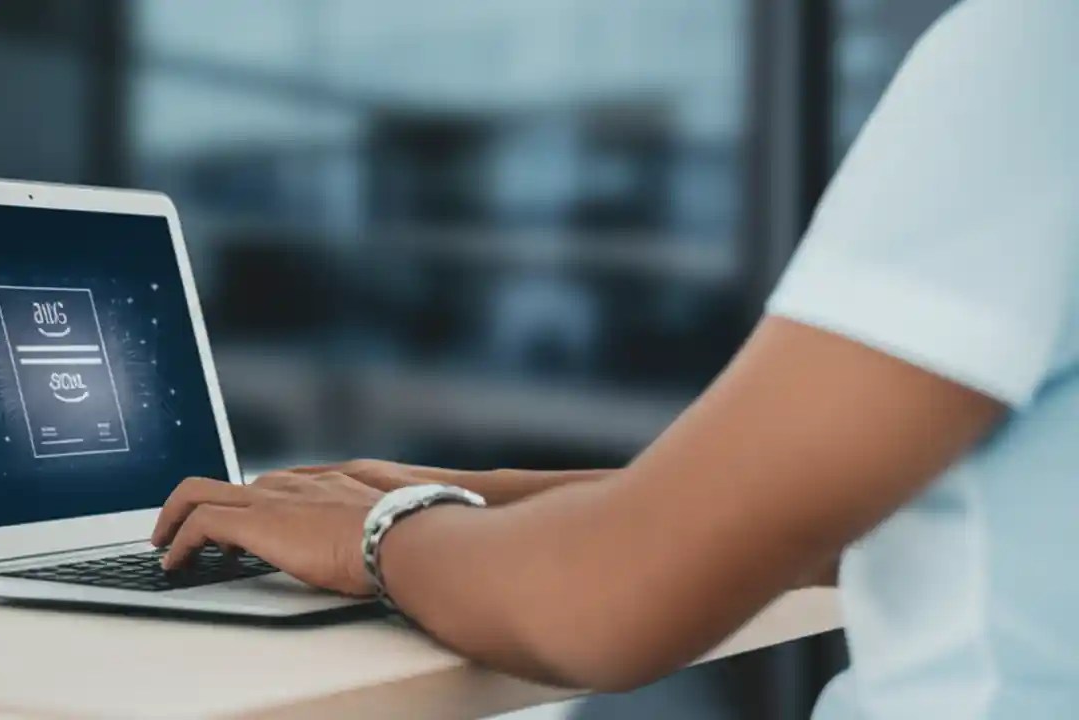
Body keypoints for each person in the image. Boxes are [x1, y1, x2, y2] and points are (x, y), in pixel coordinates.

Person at [153, 1, 1079, 717]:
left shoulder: (1034, 57)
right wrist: (465, 496)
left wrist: (378, 536)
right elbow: (837, 511)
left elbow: (605, 603)